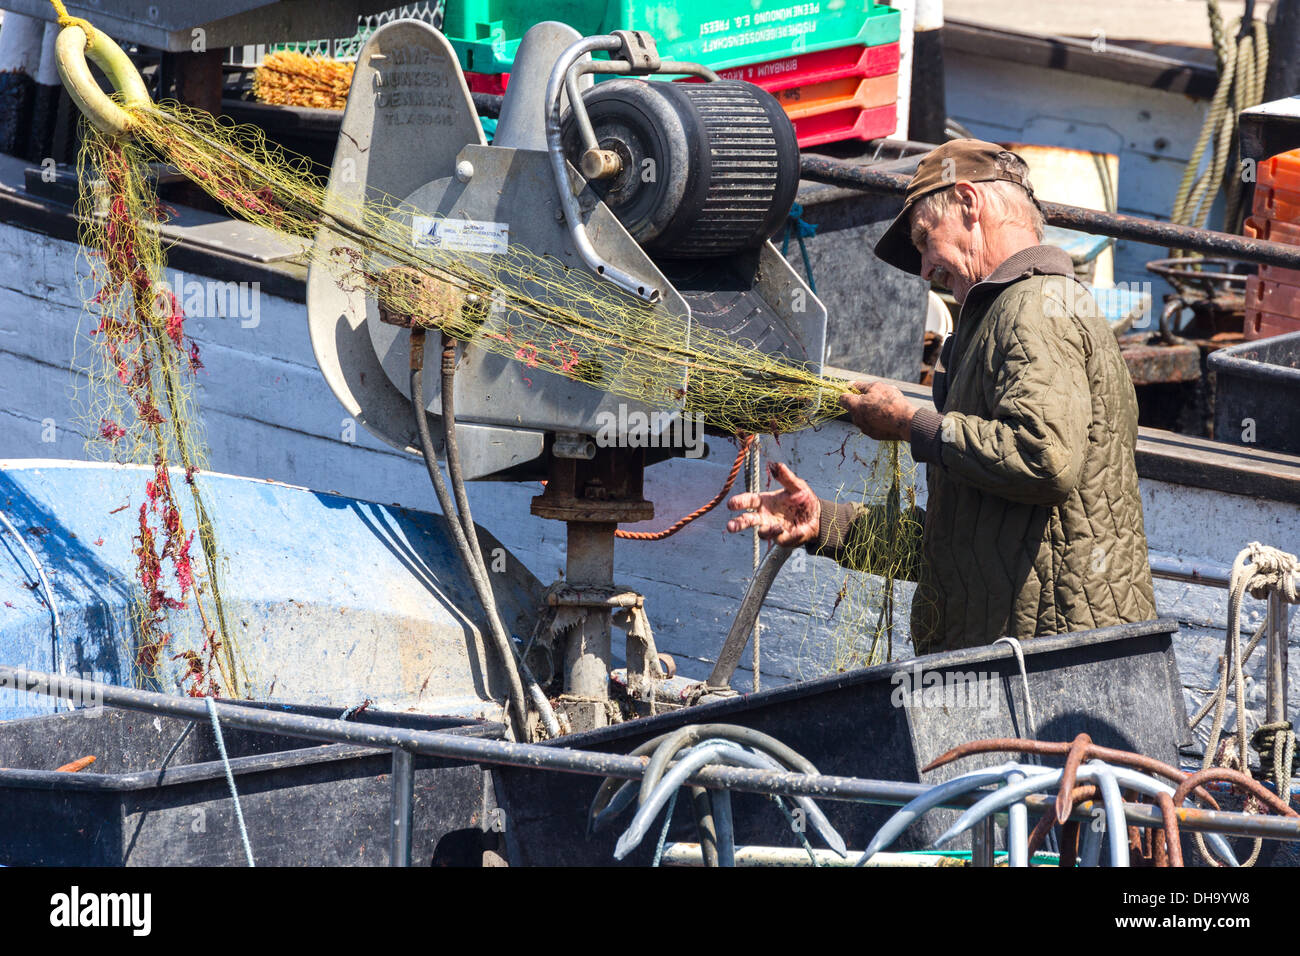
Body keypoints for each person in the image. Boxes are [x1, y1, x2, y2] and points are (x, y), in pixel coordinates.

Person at [726, 139, 1157, 653]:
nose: (925, 269)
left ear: (970, 204)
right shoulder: (1028, 307)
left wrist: (909, 422)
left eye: (926, 239)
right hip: (1039, 661)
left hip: (1054, 669)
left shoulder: (1034, 306)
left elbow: (1045, 460)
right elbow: (958, 542)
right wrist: (826, 523)